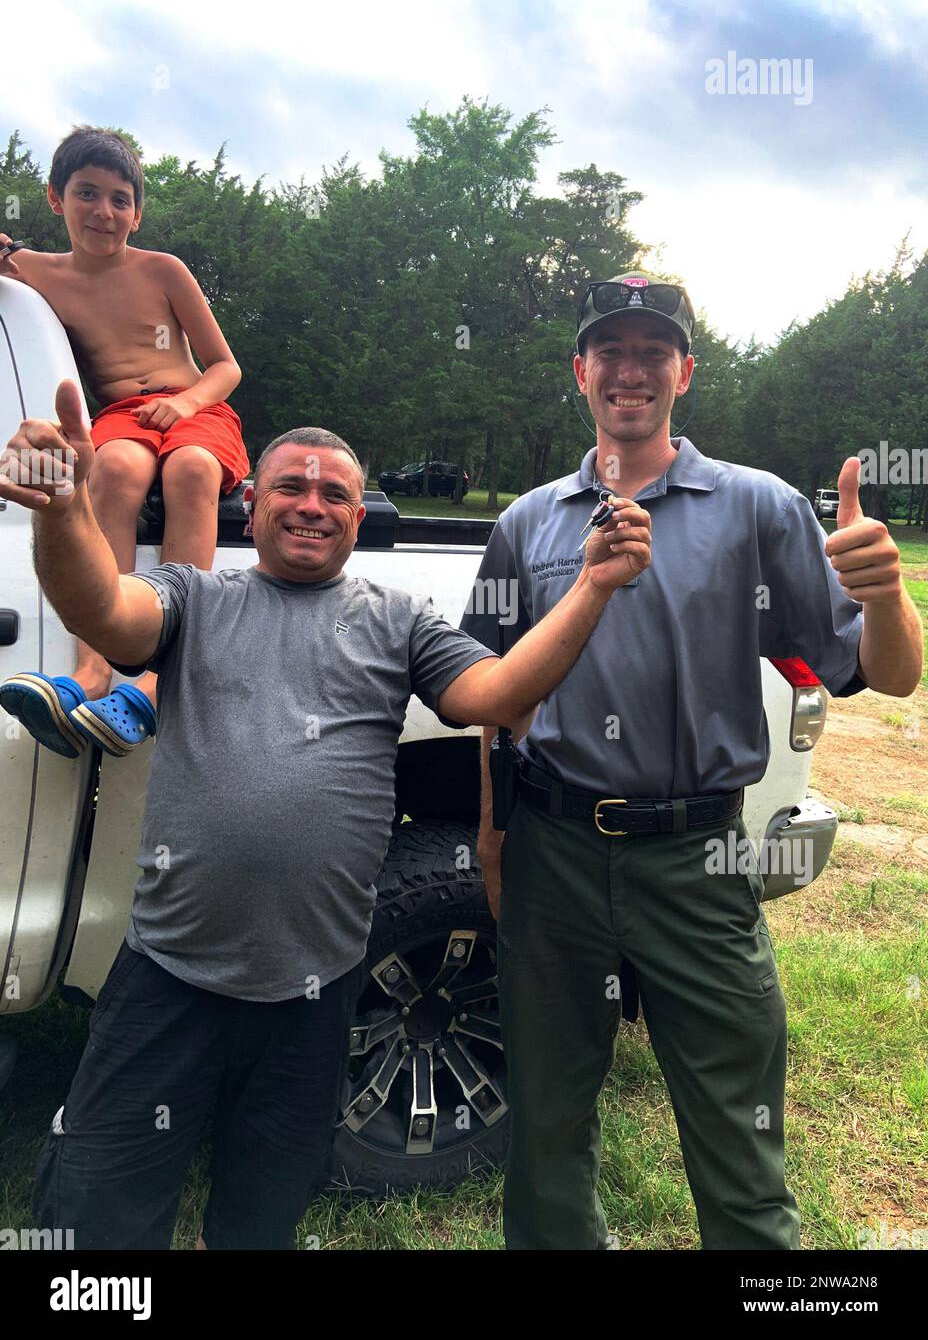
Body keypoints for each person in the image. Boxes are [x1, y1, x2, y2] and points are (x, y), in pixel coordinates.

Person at [0, 379, 650, 1250]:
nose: (312, 506)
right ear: (251, 501)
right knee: (98, 1214)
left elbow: (497, 691)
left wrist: (596, 587)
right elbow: (99, 607)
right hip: (167, 979)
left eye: (334, 493)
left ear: (358, 513)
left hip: (315, 994)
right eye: (291, 489)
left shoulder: (399, 621)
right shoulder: (196, 597)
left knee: (262, 1216)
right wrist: (63, 511)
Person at [461, 270, 923, 1251]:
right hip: (552, 851)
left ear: (684, 372)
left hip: (697, 860)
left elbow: (882, 676)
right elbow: (495, 704)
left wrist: (887, 598)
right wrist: (493, 835)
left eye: (653, 352)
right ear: (580, 370)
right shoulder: (526, 523)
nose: (631, 370)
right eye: (611, 352)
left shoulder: (754, 507)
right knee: (544, 1131)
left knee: (738, 1138)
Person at [0, 125, 249, 758]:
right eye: (87, 193)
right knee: (110, 470)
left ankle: (162, 682)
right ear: (56, 200)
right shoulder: (32, 271)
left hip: (193, 408)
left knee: (191, 471)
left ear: (136, 214)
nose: (103, 211)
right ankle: (93, 671)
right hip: (122, 418)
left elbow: (225, 366)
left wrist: (186, 401)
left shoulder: (164, 270)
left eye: (119, 199)